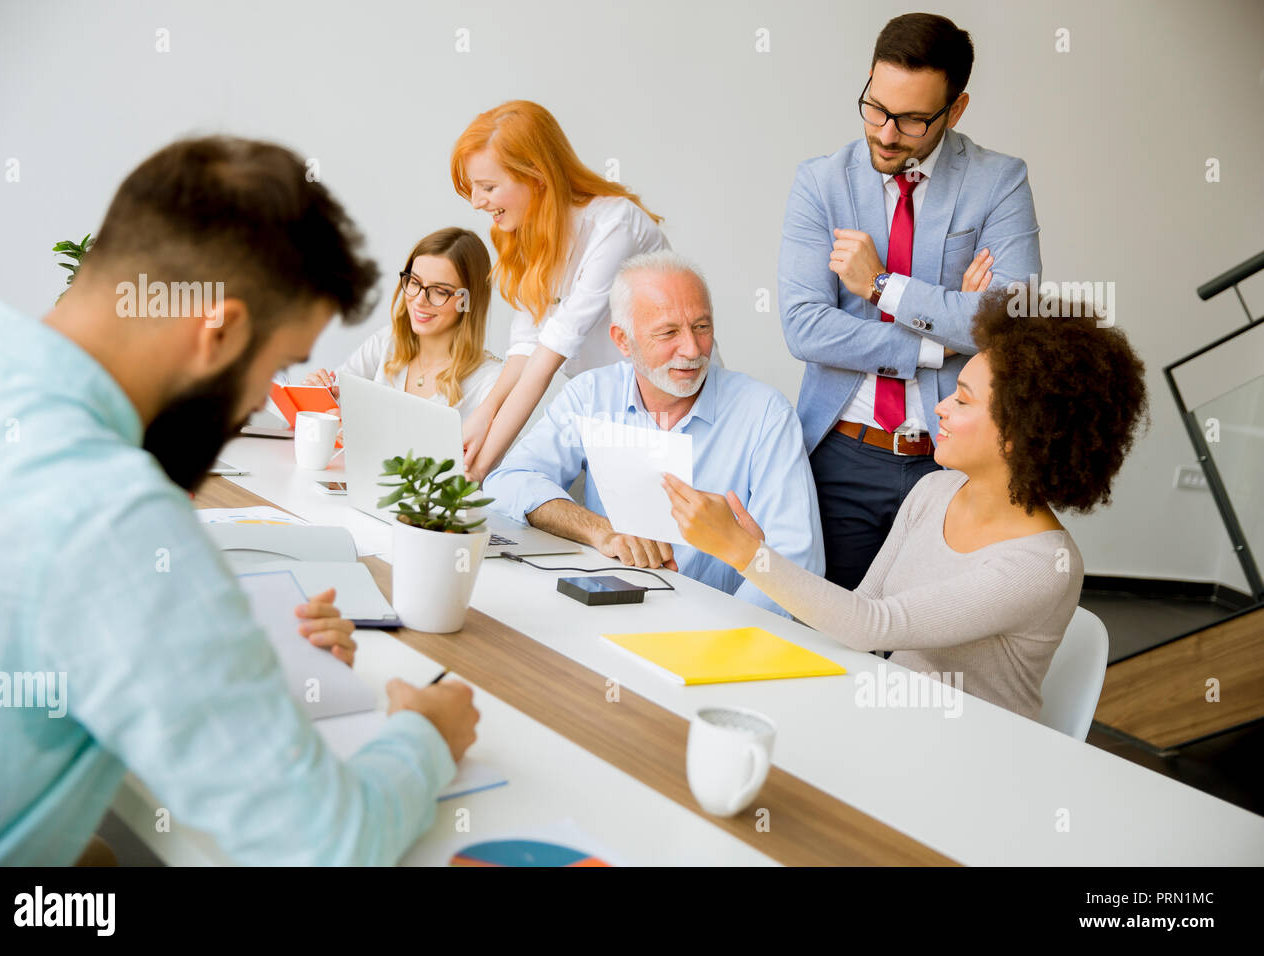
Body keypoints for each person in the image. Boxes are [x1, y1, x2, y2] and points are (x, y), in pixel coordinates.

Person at [0, 136, 480, 865]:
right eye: (278, 366)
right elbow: (325, 845)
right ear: (220, 331)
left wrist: (224, 640)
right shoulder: (112, 514)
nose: (259, 399)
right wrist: (426, 734)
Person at [664, 290, 1149, 720]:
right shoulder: (934, 491)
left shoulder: (1044, 566)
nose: (939, 407)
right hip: (896, 727)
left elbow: (873, 625)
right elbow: (864, 616)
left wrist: (744, 553)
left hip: (977, 763)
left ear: (1019, 433)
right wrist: (754, 552)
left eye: (961, 400)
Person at [779, 12, 1042, 592]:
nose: (886, 133)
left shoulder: (999, 183)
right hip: (841, 456)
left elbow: (1012, 321)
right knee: (833, 637)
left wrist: (881, 287)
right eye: (875, 106)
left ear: (956, 109)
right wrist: (940, 335)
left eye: (913, 119)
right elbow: (805, 329)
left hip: (954, 462)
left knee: (926, 650)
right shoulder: (821, 185)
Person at [484, 251, 823, 617]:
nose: (692, 350)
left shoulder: (766, 414)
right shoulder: (591, 395)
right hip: (607, 612)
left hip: (718, 630)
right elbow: (508, 482)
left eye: (702, 327)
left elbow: (798, 560)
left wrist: (724, 638)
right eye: (668, 333)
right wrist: (601, 531)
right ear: (623, 341)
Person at [451, 100, 673, 481]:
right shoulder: (531, 238)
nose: (476, 201)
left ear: (536, 176)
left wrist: (476, 471)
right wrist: (480, 418)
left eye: (488, 187)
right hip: (613, 414)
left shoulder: (614, 225)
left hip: (672, 411)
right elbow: (524, 350)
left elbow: (548, 358)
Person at [301, 227, 502, 420]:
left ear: (467, 300)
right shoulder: (387, 343)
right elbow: (326, 407)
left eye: (440, 291)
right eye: (414, 282)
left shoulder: (490, 380)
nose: (420, 300)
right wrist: (315, 396)